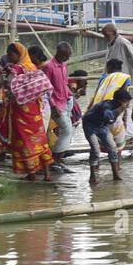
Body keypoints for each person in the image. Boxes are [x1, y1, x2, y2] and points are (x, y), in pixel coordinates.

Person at [0, 55, 54, 181]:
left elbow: (9, 86)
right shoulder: (32, 67)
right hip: (35, 109)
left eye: (11, 52)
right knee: (41, 141)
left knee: (25, 143)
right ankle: (47, 174)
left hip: (21, 112)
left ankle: (32, 174)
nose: (10, 56)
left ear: (17, 53)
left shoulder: (16, 69)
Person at [82, 87, 131, 184]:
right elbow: (108, 117)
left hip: (101, 125)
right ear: (121, 101)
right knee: (95, 149)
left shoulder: (118, 106)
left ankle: (116, 175)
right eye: (126, 102)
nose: (128, 104)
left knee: (113, 148)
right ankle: (92, 176)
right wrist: (121, 109)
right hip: (90, 125)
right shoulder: (107, 105)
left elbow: (111, 120)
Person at [37, 43, 74, 172]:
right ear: (59, 53)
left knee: (68, 130)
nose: (67, 59)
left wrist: (70, 96)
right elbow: (46, 88)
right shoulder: (49, 66)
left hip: (65, 102)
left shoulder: (64, 65)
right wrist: (53, 106)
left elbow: (64, 83)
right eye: (66, 56)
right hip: (55, 104)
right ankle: (54, 160)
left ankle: (57, 160)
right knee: (67, 130)